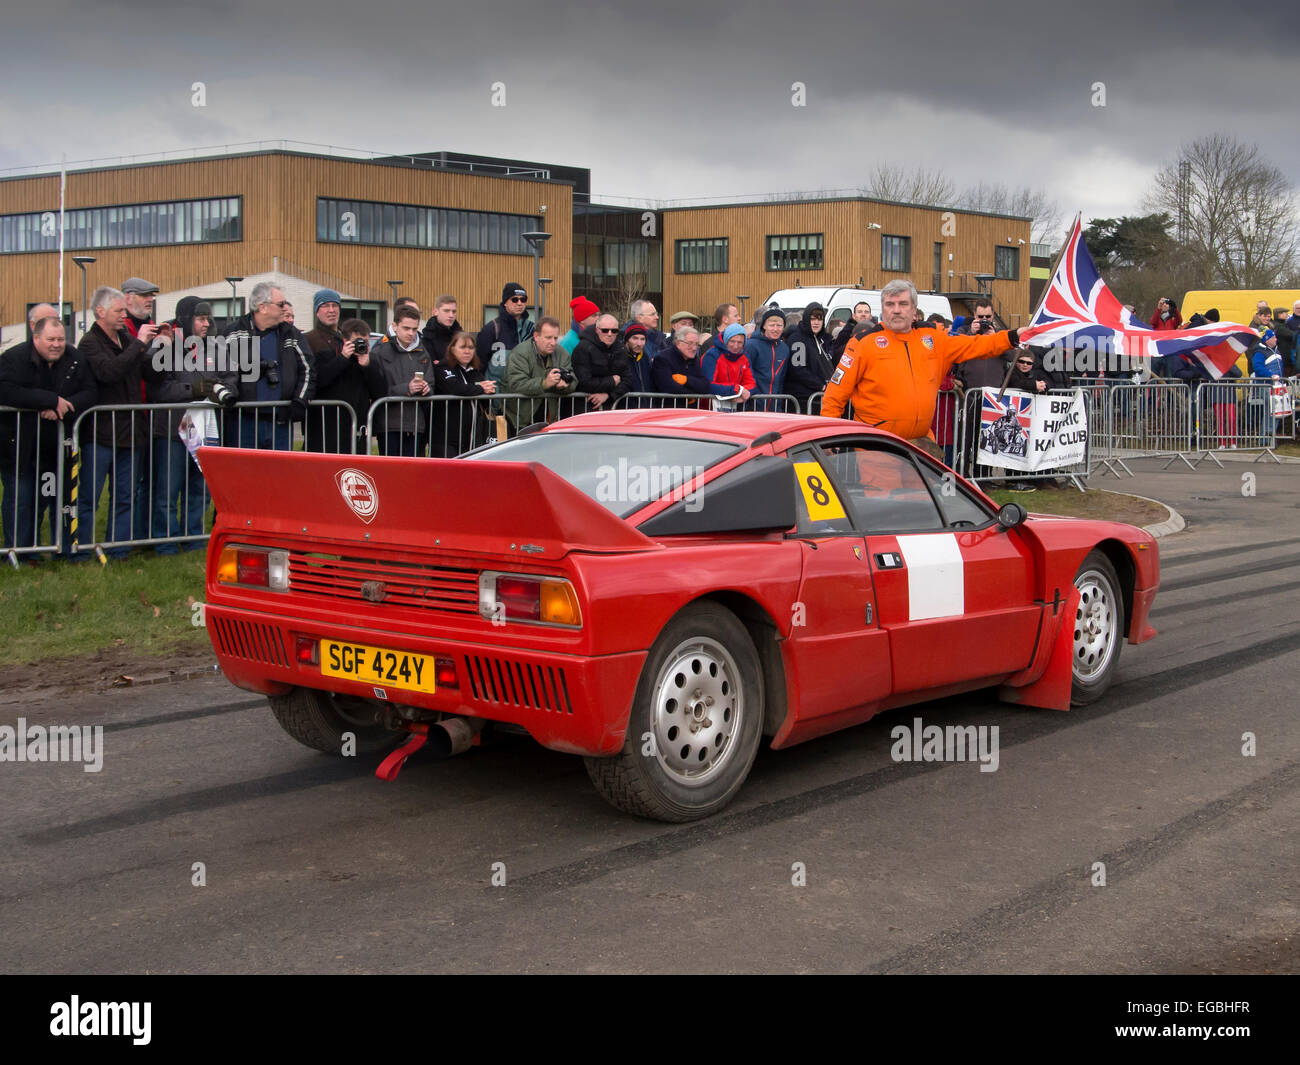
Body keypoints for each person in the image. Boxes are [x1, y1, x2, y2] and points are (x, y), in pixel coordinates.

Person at [820, 279, 1019, 457]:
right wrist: (828, 434)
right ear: (882, 308)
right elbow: (836, 392)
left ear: (914, 309)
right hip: (876, 447)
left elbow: (976, 345)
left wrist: (1012, 337)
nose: (896, 310)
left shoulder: (933, 338)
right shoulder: (863, 342)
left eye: (903, 304)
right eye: (890, 304)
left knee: (922, 498)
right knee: (881, 498)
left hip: (921, 446)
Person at [0, 317, 96, 554]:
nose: (56, 344)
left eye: (61, 339)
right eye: (51, 339)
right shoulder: (14, 359)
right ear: (36, 338)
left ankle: (59, 549)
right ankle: (19, 553)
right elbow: (5, 390)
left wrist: (65, 406)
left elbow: (90, 393)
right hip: (19, 448)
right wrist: (49, 400)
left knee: (53, 498)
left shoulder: (75, 359)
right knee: (21, 502)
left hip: (54, 449)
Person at [78, 285, 155, 557]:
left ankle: (118, 549)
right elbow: (109, 372)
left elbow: (147, 374)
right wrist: (139, 345)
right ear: (100, 311)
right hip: (100, 433)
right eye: (118, 310)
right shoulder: (89, 343)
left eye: (125, 309)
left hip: (131, 431)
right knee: (89, 496)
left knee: (125, 496)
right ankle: (82, 549)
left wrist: (158, 349)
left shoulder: (128, 339)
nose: (125, 315)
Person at [144, 294, 211, 553]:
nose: (206, 324)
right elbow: (158, 391)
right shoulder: (164, 344)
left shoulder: (211, 346)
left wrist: (225, 388)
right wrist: (192, 389)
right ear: (186, 319)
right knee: (167, 493)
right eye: (201, 319)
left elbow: (226, 375)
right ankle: (166, 545)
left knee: (199, 491)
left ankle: (193, 540)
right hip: (171, 429)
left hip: (202, 430)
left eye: (208, 319)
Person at [219, 282, 315, 450]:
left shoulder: (291, 334)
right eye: (280, 304)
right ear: (262, 307)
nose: (285, 308)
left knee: (279, 474)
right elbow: (219, 371)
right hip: (242, 421)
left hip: (280, 422)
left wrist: (300, 401)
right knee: (243, 474)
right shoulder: (232, 334)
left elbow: (308, 369)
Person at [305, 289, 384, 454]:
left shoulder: (357, 347)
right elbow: (317, 379)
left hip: (355, 425)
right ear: (317, 311)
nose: (331, 310)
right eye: (326, 306)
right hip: (323, 425)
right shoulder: (309, 339)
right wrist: (342, 357)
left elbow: (379, 389)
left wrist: (366, 364)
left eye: (335, 306)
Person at [369, 306, 433, 456]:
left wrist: (427, 389)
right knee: (391, 474)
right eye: (406, 328)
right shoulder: (380, 352)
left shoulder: (422, 352)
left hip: (416, 425)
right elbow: (376, 389)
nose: (411, 333)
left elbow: (431, 382)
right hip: (389, 425)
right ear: (395, 326)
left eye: (414, 329)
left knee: (415, 474)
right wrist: (406, 389)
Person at [431, 330, 497, 456]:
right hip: (446, 436)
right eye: (462, 347)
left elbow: (483, 393)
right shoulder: (443, 367)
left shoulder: (475, 371)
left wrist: (488, 390)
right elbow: (455, 388)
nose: (467, 351)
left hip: (471, 435)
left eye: (471, 348)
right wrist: (481, 389)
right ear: (452, 349)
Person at [504, 317, 577, 429]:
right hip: (521, 419)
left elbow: (573, 379)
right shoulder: (520, 353)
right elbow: (516, 384)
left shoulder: (561, 353)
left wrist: (564, 385)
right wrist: (544, 383)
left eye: (555, 338)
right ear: (536, 336)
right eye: (548, 338)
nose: (553, 343)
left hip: (549, 419)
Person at [479, 283, 535, 392]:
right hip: (497, 397)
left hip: (524, 396)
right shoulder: (491, 329)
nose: (519, 303)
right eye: (514, 300)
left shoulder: (532, 329)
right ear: (505, 303)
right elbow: (480, 364)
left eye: (523, 300)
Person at [572, 313, 631, 410]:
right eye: (605, 330)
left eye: (614, 331)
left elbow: (628, 380)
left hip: (611, 407)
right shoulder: (583, 348)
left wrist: (609, 395)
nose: (609, 334)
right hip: (584, 407)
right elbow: (584, 382)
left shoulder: (621, 349)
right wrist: (612, 381)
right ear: (597, 330)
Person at [784, 302, 836, 410]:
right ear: (806, 319)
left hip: (819, 399)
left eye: (819, 319)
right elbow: (798, 370)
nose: (816, 322)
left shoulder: (822, 339)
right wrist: (821, 385)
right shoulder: (797, 339)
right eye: (812, 319)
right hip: (802, 400)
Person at [744, 307, 791, 409]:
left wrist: (779, 405)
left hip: (775, 407)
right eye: (771, 325)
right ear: (764, 326)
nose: (775, 329)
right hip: (753, 405)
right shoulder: (751, 345)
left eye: (779, 326)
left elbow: (782, 379)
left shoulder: (784, 349)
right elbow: (746, 374)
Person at [650, 326, 711, 400]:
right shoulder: (663, 359)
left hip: (691, 409)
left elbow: (705, 386)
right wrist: (690, 396)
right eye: (690, 343)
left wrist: (687, 380)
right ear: (678, 343)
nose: (694, 348)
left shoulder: (695, 360)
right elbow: (668, 386)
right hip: (669, 408)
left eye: (696, 344)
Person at [709, 325, 755, 406]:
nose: (736, 346)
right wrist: (736, 390)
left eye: (740, 342)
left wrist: (744, 392)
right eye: (732, 341)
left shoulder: (745, 357)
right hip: (711, 406)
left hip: (735, 406)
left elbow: (751, 383)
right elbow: (708, 384)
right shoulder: (712, 355)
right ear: (726, 340)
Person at [420, 294, 463, 366]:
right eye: (446, 311)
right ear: (435, 312)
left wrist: (444, 362)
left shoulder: (461, 336)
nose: (451, 315)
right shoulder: (427, 338)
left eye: (454, 311)